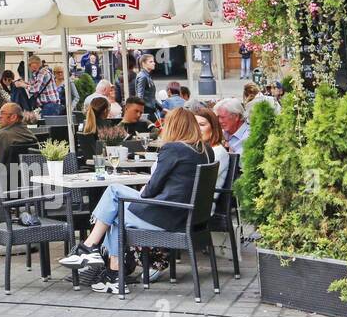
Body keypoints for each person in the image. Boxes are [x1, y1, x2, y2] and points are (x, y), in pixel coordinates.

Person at [59, 107, 216, 293]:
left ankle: (89, 248)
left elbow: (151, 190)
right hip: (187, 216)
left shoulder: (174, 149)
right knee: (116, 212)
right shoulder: (205, 151)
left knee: (114, 193)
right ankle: (113, 276)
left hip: (166, 216)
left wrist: (144, 190)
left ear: (173, 126)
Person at [195, 106, 231, 199]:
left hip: (200, 206)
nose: (197, 129)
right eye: (194, 125)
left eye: (202, 125)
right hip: (185, 202)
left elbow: (200, 181)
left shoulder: (219, 152)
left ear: (213, 128)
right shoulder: (195, 149)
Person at [134, 54, 160, 123]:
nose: (154, 63)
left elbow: (151, 97)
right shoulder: (142, 77)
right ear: (143, 63)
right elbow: (140, 96)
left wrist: (161, 107)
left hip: (150, 110)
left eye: (153, 61)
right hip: (147, 111)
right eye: (151, 62)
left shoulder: (146, 76)